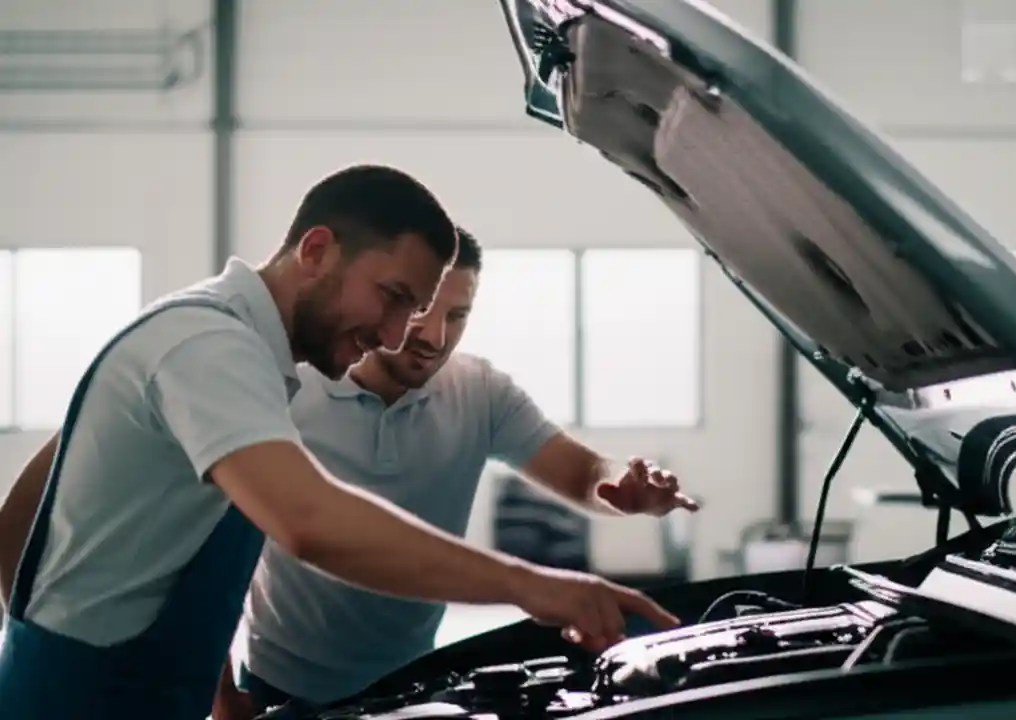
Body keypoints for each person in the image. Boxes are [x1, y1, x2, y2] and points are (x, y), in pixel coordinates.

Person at [0, 165, 678, 720]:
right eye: (391, 297)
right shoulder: (208, 347)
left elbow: (20, 521)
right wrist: (534, 586)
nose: (394, 336)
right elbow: (309, 523)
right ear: (317, 250)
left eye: (418, 313)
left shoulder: (241, 362)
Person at [210, 228, 699, 717]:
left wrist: (624, 487)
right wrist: (225, 698)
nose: (435, 336)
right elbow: (204, 550)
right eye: (421, 309)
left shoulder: (480, 391)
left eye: (458, 314)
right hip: (279, 685)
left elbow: (585, 472)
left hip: (421, 682)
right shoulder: (287, 387)